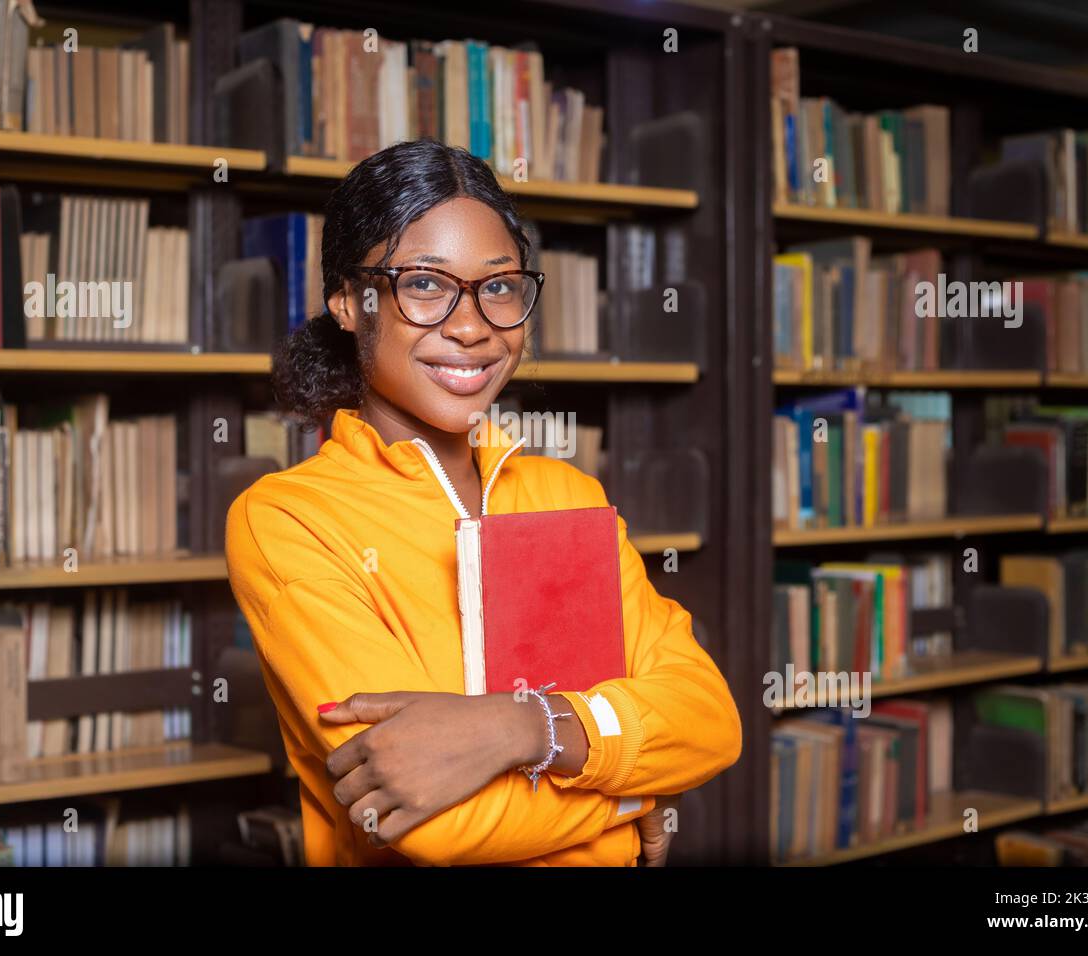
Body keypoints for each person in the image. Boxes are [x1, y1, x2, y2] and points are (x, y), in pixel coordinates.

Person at [225, 138, 741, 866]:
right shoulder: (290, 519)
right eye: (426, 285)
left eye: (498, 287)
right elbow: (434, 823)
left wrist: (523, 728)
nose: (472, 327)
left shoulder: (568, 496)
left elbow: (711, 722)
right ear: (348, 300)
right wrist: (638, 797)